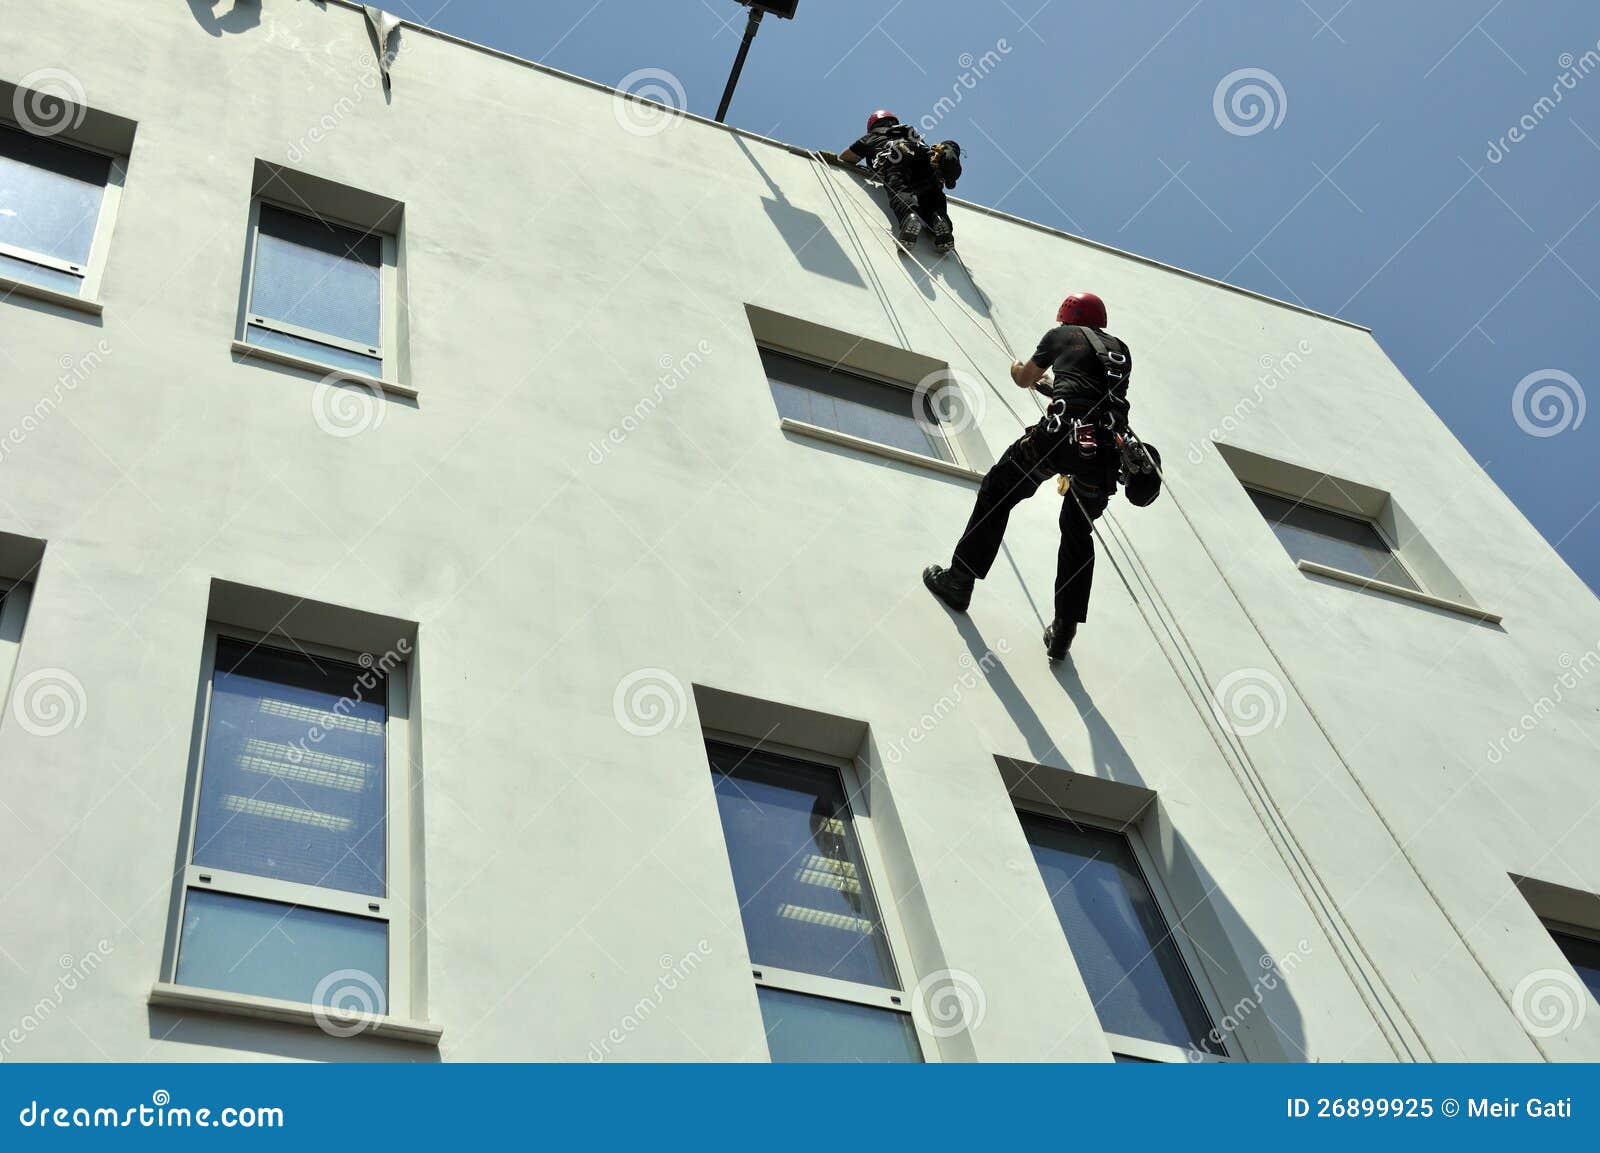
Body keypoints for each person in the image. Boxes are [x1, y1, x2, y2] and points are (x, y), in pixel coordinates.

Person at [922, 292, 1162, 660]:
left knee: (997, 490)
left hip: (1059, 437)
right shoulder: (1120, 351)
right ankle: (1064, 630)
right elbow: (1095, 392)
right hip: (1103, 454)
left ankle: (959, 580)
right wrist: (1054, 385)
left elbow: (1023, 378)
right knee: (1077, 530)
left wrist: (1020, 371)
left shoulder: (1059, 337)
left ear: (1066, 318)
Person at [835, 111, 963, 252]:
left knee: (899, 188)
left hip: (896, 159)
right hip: (925, 162)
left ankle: (910, 217)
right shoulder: (911, 134)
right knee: (930, 194)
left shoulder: (871, 137)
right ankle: (939, 219)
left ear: (873, 125)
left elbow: (846, 157)